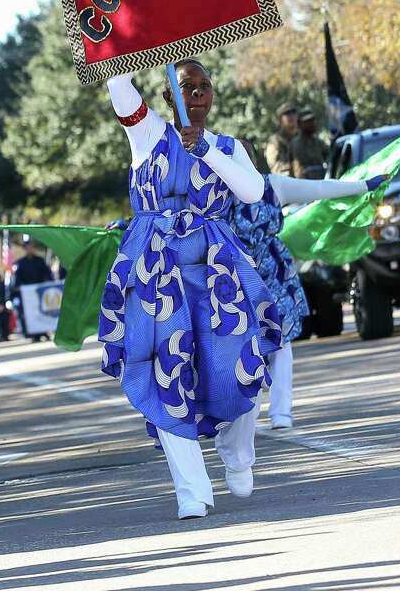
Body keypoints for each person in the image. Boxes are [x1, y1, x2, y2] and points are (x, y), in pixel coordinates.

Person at [98, 61, 282, 520]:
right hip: (156, 268)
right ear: (167, 95)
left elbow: (253, 191)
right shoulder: (146, 132)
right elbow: (118, 83)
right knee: (167, 372)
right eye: (186, 87)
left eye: (204, 86)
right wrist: (129, 33)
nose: (197, 93)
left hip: (214, 266)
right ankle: (191, 490)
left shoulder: (226, 145)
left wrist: (205, 152)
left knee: (242, 357)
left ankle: (238, 453)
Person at [232, 142, 386, 429]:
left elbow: (319, 189)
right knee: (239, 344)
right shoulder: (213, 196)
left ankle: (281, 412)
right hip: (231, 277)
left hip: (273, 274)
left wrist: (363, 185)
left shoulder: (272, 186)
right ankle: (242, 413)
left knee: (281, 341)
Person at [14, 237, 53, 342]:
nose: (29, 249)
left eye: (31, 247)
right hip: (28, 295)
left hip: (40, 292)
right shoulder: (20, 263)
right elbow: (17, 280)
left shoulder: (39, 261)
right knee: (31, 314)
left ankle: (44, 332)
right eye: (27, 247)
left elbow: (47, 275)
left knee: (42, 312)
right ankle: (33, 334)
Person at [291, 111, 329, 180]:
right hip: (306, 183)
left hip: (321, 180)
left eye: (312, 121)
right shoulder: (295, 144)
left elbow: (329, 154)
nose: (312, 124)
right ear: (299, 124)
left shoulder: (317, 141)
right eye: (308, 122)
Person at [265, 102, 299, 176]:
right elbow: (276, 168)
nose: (291, 116)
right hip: (288, 183)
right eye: (287, 113)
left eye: (293, 112)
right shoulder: (274, 142)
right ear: (280, 120)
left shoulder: (302, 138)